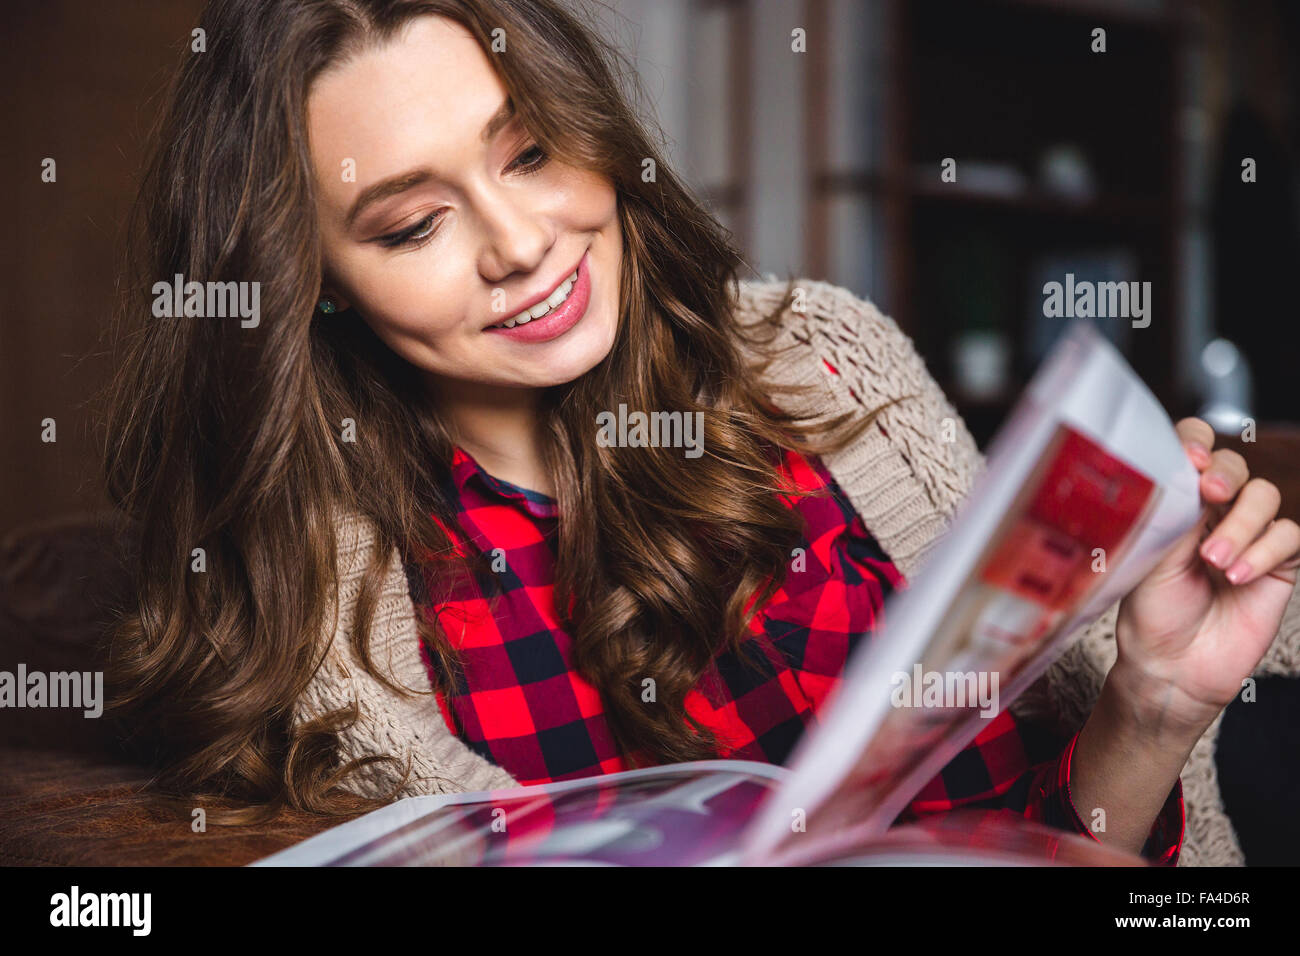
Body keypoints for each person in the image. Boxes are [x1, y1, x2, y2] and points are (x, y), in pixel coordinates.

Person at [102, 0, 1299, 865]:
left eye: (530, 150)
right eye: (414, 224)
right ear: (315, 281)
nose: (519, 241)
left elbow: (1089, 836)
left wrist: (1148, 705)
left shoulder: (826, 358)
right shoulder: (332, 594)